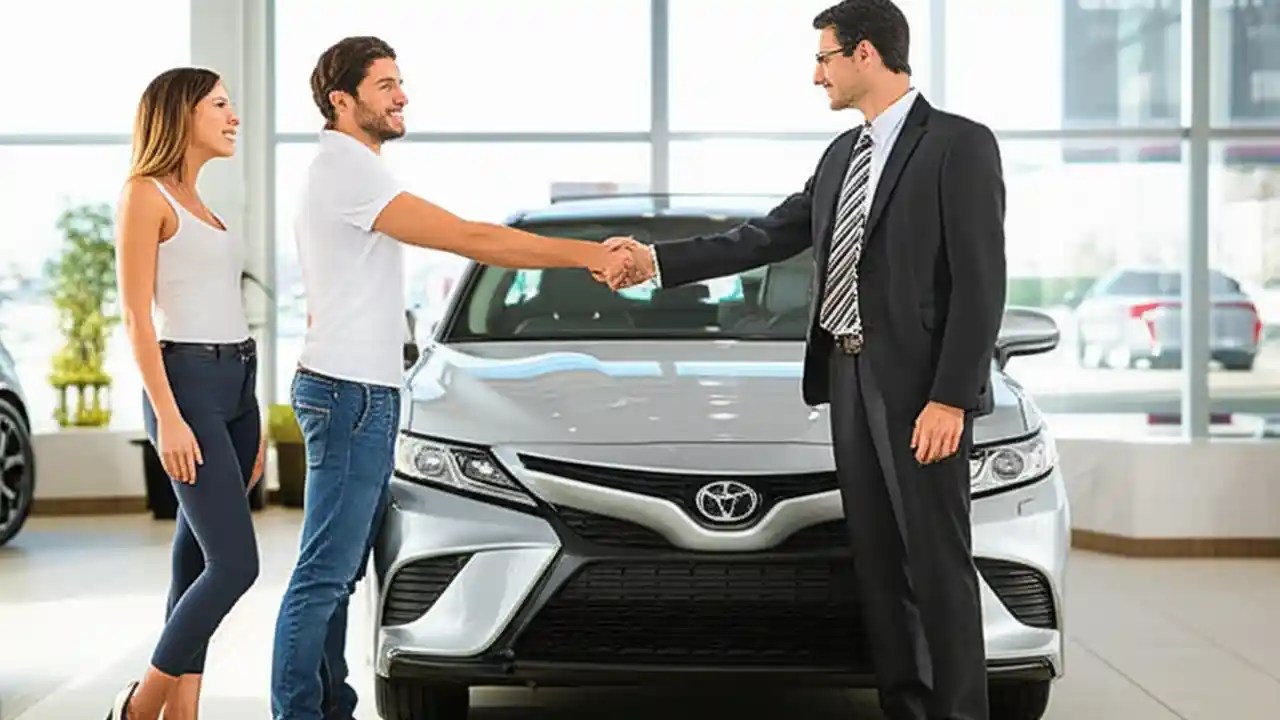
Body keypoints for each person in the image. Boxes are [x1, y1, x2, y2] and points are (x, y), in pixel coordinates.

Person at [602, 2, 1006, 718]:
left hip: (919, 390)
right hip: (848, 377)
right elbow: (763, 237)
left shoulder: (958, 144)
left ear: (865, 55)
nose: (815, 73)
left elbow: (980, 282)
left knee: (936, 564)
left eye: (824, 57)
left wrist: (951, 396)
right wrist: (655, 263)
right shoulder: (841, 156)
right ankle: (907, 708)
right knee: (881, 568)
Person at [269, 36, 630, 720]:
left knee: (339, 574)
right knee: (324, 573)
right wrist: (589, 255)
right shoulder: (349, 171)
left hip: (358, 390)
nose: (401, 95)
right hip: (350, 394)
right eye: (384, 85)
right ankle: (299, 712)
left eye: (400, 82)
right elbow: (474, 239)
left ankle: (328, 706)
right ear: (341, 101)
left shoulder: (345, 171)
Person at [111, 67, 265, 720]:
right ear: (181, 113)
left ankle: (185, 713)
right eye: (221, 105)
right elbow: (138, 319)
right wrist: (169, 419)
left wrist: (251, 412)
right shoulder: (145, 196)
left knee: (195, 557)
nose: (234, 117)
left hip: (238, 384)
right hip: (189, 389)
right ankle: (142, 707)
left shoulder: (205, 206)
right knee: (235, 566)